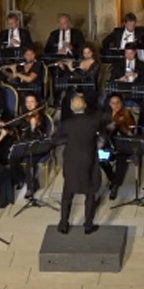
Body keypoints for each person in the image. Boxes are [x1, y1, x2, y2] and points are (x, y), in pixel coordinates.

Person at [54, 94, 102, 234]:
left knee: (67, 193)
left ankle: (63, 223)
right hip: (89, 160)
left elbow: (56, 140)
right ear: (85, 106)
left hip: (71, 161)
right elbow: (100, 136)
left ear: (71, 108)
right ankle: (88, 225)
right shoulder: (93, 122)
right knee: (90, 192)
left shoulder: (66, 124)